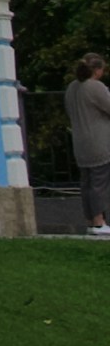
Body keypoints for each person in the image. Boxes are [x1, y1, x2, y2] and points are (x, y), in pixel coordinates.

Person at [65, 43, 110, 235]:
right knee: (100, 182)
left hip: (80, 141)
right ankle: (100, 221)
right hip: (99, 142)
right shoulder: (95, 87)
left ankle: (91, 221)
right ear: (97, 70)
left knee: (87, 183)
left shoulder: (72, 87)